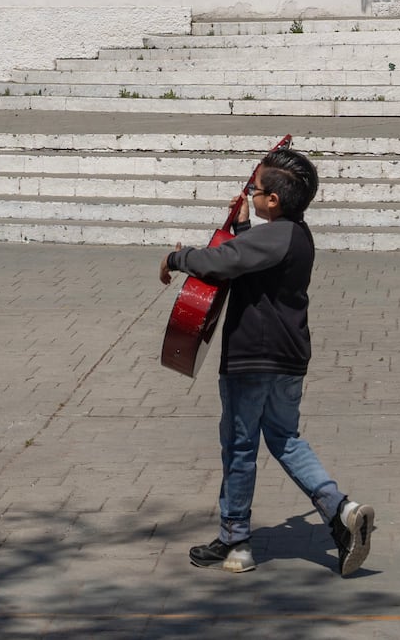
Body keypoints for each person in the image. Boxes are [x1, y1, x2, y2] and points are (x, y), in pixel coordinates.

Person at [158, 145, 375, 576]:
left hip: (252, 360)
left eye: (254, 190)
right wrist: (241, 228)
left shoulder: (274, 237)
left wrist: (176, 258)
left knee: (240, 447)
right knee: (286, 440)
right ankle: (341, 509)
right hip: (288, 359)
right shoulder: (296, 235)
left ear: (273, 200)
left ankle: (235, 542)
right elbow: (250, 259)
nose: (250, 195)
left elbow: (221, 262)